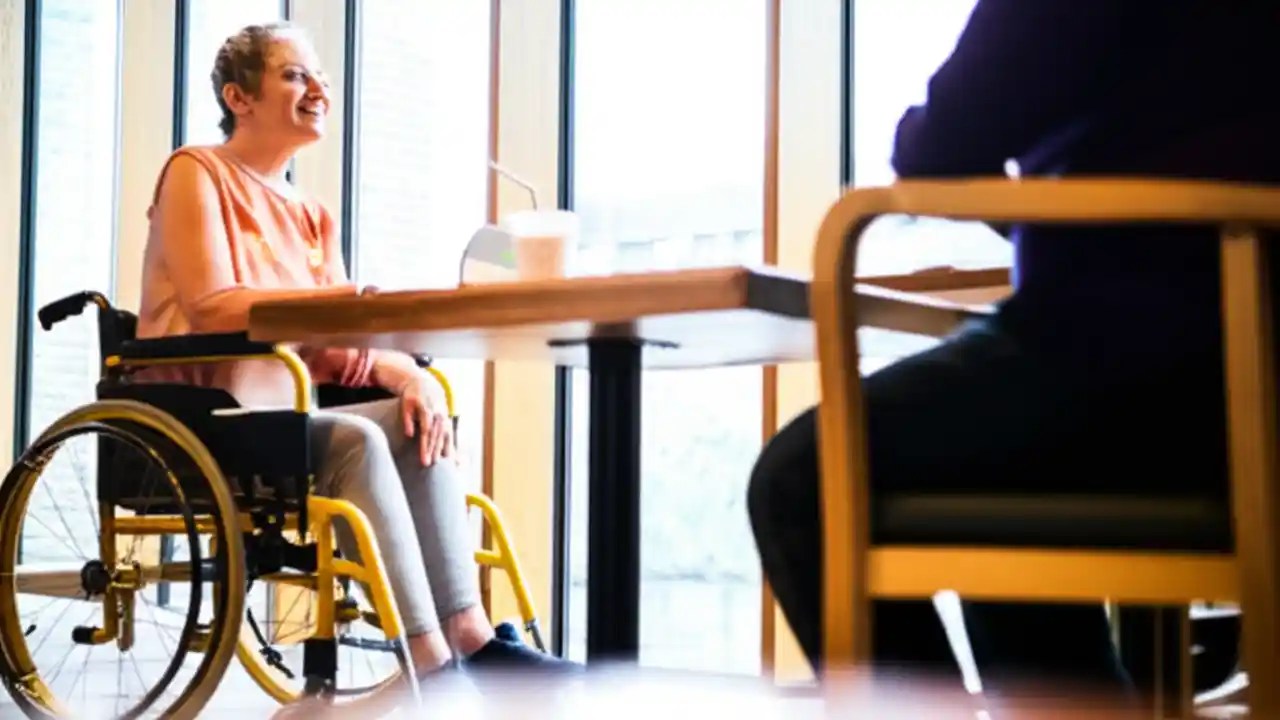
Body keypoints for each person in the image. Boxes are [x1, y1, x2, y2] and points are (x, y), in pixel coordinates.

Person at [749, 0, 1280, 696]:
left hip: (1129, 362)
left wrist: (1054, 227)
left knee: (800, 484)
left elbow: (936, 150)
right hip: (1241, 385)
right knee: (992, 490)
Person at [136, 21, 574, 710]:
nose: (317, 90)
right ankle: (428, 664)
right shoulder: (198, 171)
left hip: (285, 414)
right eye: (294, 75)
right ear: (238, 97)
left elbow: (334, 339)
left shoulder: (312, 215)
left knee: (408, 418)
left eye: (323, 80)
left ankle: (471, 638)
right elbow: (215, 306)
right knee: (360, 436)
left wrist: (407, 376)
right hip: (203, 416)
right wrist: (342, 298)